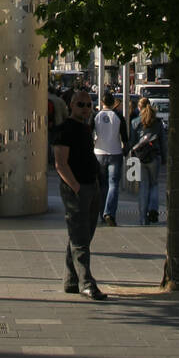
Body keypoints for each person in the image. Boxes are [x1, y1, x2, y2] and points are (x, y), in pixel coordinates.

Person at [52, 90, 108, 300]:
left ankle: (71, 280)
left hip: (91, 186)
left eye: (88, 105)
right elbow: (60, 163)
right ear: (71, 106)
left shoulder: (85, 128)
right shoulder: (64, 130)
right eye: (81, 105)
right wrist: (75, 186)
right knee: (80, 237)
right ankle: (86, 282)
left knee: (82, 234)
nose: (85, 108)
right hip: (77, 189)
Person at [93, 90, 129, 227]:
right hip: (115, 152)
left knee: (102, 185)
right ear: (113, 102)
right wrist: (125, 149)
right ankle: (109, 212)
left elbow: (90, 132)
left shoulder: (96, 116)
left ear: (102, 102)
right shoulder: (118, 116)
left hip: (99, 152)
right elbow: (125, 138)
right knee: (113, 184)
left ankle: (102, 212)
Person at [129, 97, 167, 226]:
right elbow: (163, 141)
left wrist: (129, 153)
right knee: (154, 184)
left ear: (139, 108)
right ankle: (153, 209)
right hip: (154, 156)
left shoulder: (135, 122)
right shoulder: (157, 122)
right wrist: (164, 157)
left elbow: (132, 142)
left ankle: (143, 218)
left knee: (143, 186)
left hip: (140, 157)